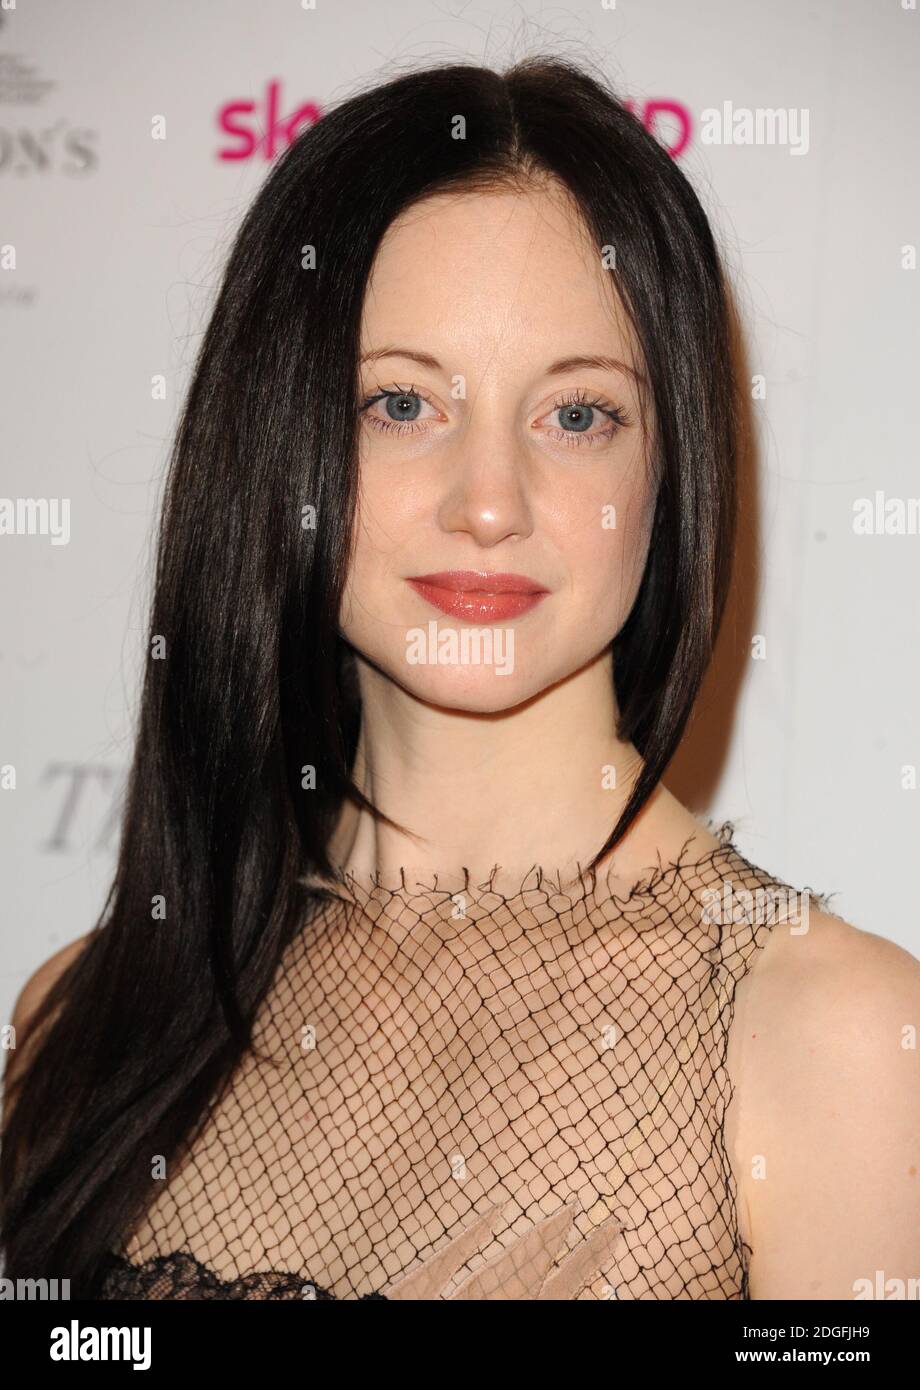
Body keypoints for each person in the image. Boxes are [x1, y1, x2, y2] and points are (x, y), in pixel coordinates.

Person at [3, 54, 918, 1302]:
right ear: (279, 436)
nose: (488, 503)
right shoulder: (86, 1019)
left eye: (578, 416)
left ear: (672, 468)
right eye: (398, 403)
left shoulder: (840, 1043)